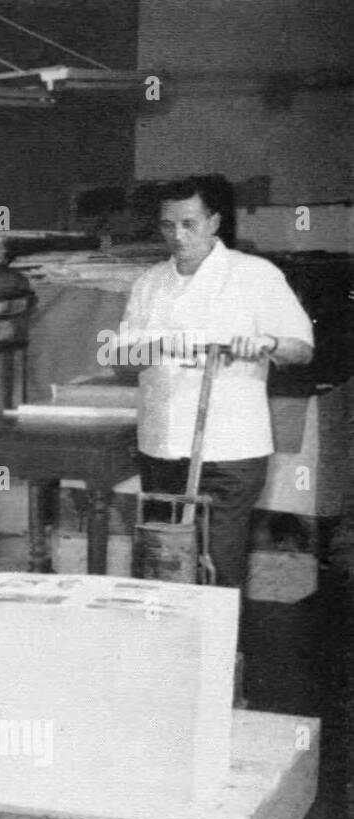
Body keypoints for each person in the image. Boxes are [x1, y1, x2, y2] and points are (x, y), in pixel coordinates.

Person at [122, 176, 314, 591]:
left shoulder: (254, 275)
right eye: (168, 225)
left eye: (189, 224)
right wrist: (155, 348)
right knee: (164, 560)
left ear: (213, 222)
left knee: (216, 561)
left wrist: (267, 343)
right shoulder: (149, 283)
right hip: (160, 446)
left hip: (229, 451)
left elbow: (301, 348)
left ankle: (223, 653)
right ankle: (170, 652)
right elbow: (121, 355)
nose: (177, 235)